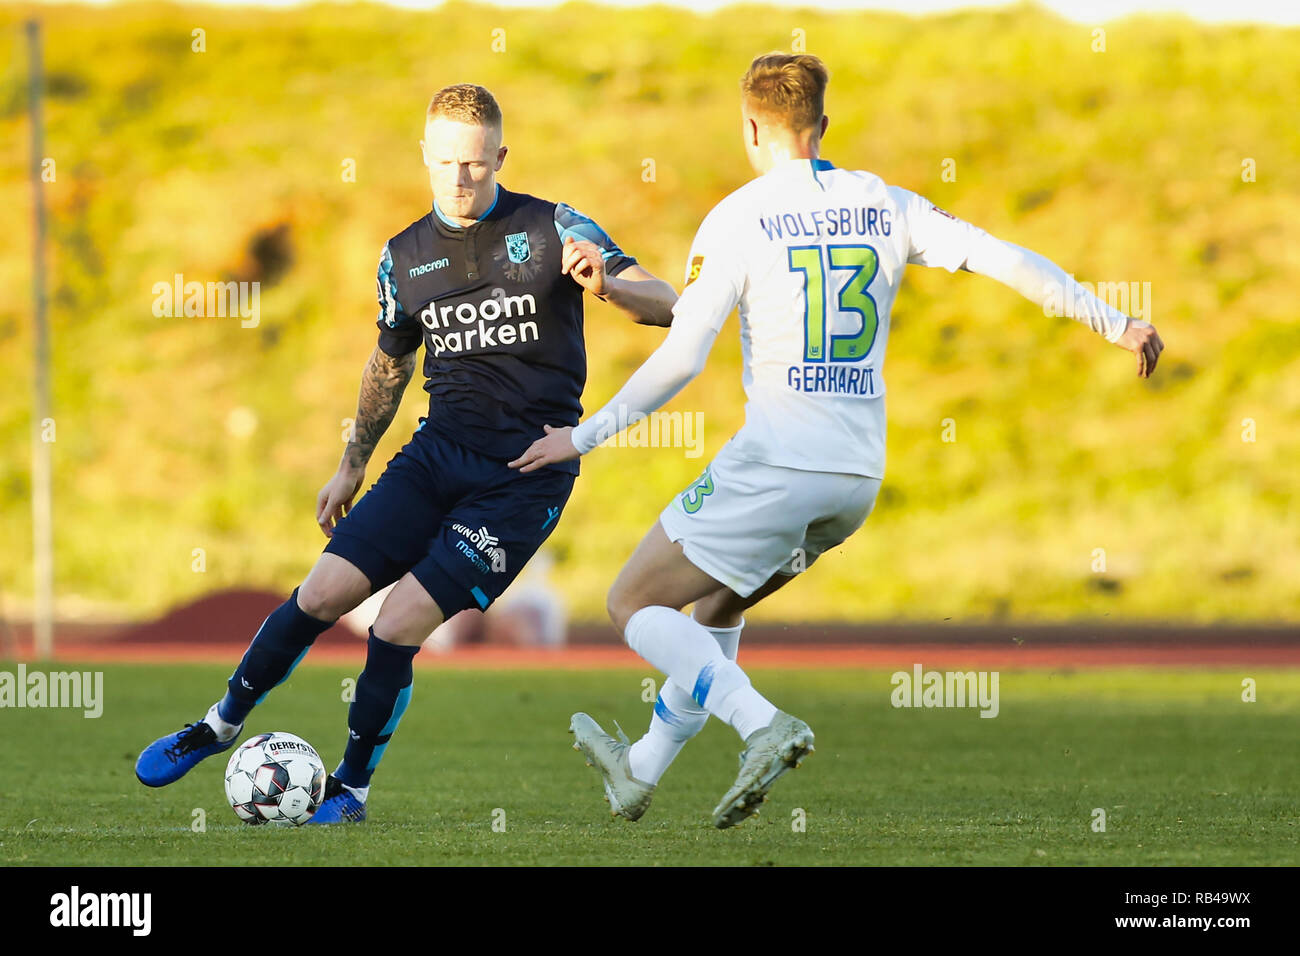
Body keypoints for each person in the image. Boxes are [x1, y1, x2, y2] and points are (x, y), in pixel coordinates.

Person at [510, 53, 1164, 829]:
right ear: (822, 127)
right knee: (716, 603)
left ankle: (762, 726)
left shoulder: (739, 217)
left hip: (779, 460)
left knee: (633, 601)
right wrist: (1115, 321)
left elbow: (684, 353)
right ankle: (641, 769)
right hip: (854, 480)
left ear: (751, 128)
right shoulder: (884, 203)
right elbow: (1005, 260)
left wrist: (584, 436)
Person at [135, 84, 677, 823]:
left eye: (477, 165)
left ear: (501, 158)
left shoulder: (553, 226)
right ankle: (217, 724)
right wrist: (352, 462)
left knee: (395, 624)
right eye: (448, 163)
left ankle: (349, 789)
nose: (461, 179)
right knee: (321, 594)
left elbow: (669, 304)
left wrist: (608, 281)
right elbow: (389, 363)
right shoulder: (403, 256)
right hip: (434, 457)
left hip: (523, 478)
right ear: (424, 155)